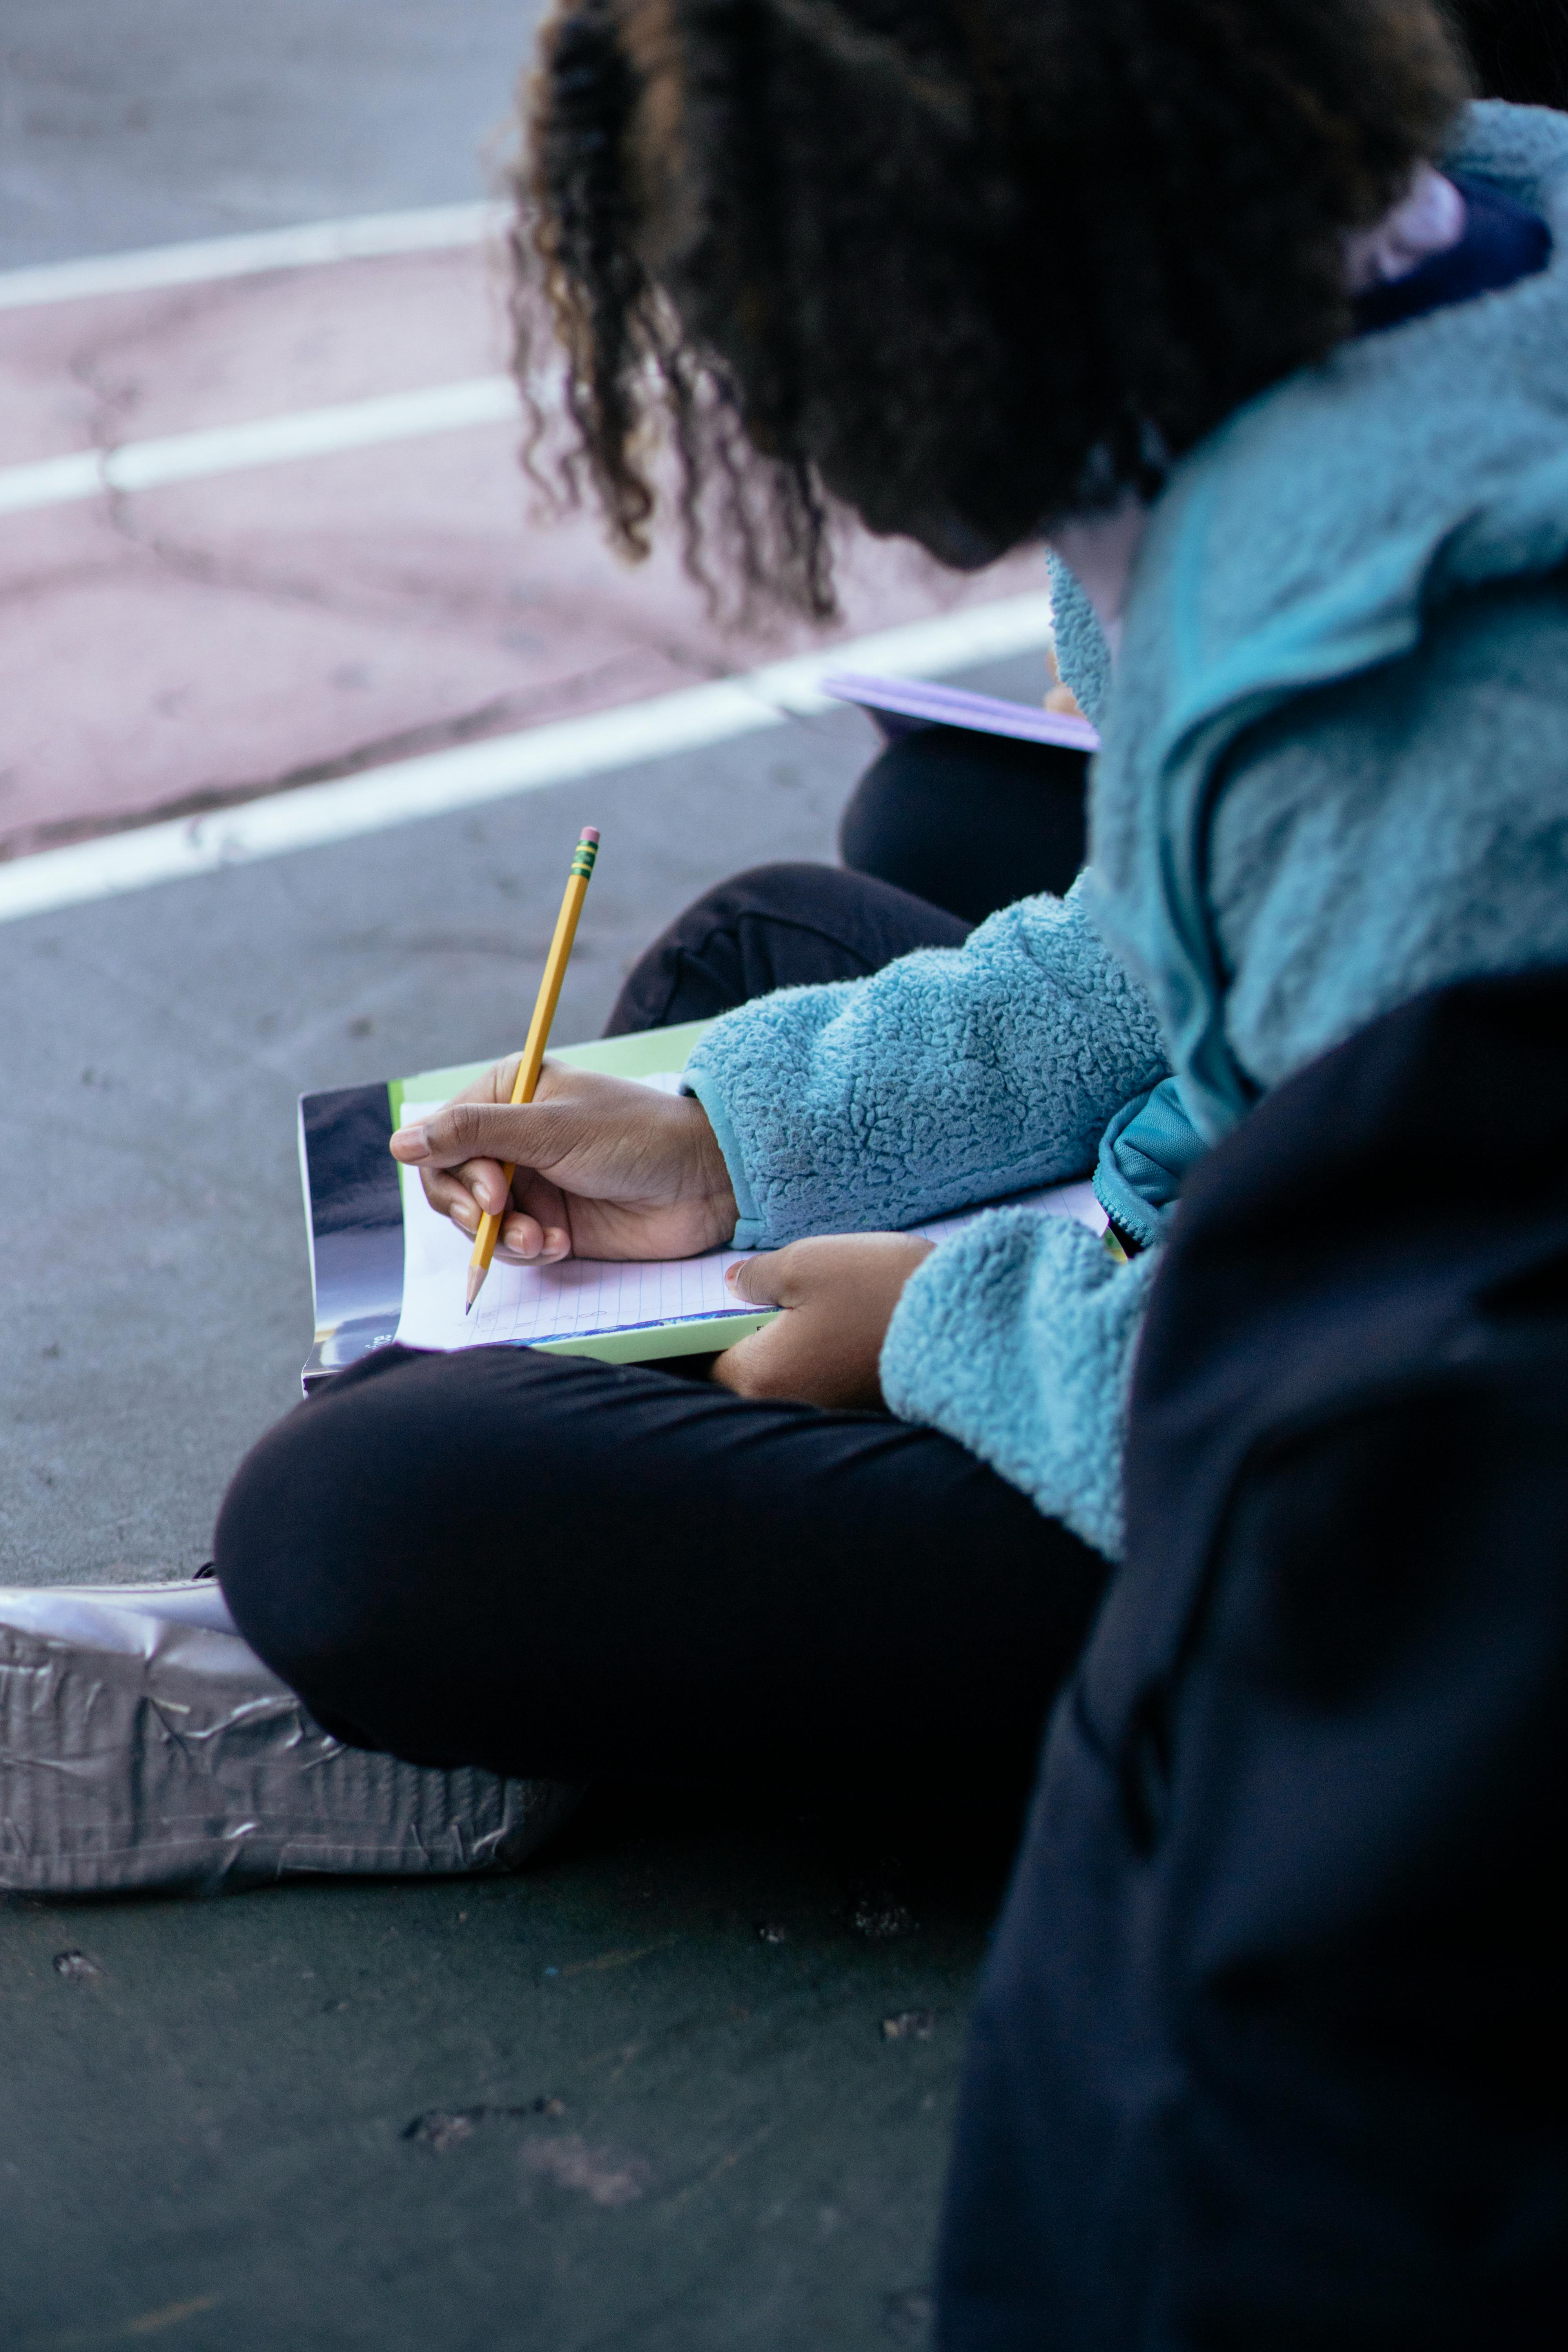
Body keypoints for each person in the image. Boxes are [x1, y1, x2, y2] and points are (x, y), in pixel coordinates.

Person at [214, 9, 1568, 2317]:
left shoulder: (1418, 722)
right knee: (757, 965)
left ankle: (639, 1539)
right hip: (1255, 1233)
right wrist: (737, 1136)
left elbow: (1395, 1469)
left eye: (787, 364)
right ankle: (653, 1435)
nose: (807, 462)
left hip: (1341, 1553)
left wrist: (942, 1330)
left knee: (346, 1521)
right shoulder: (1335, 309)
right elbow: (1168, 933)